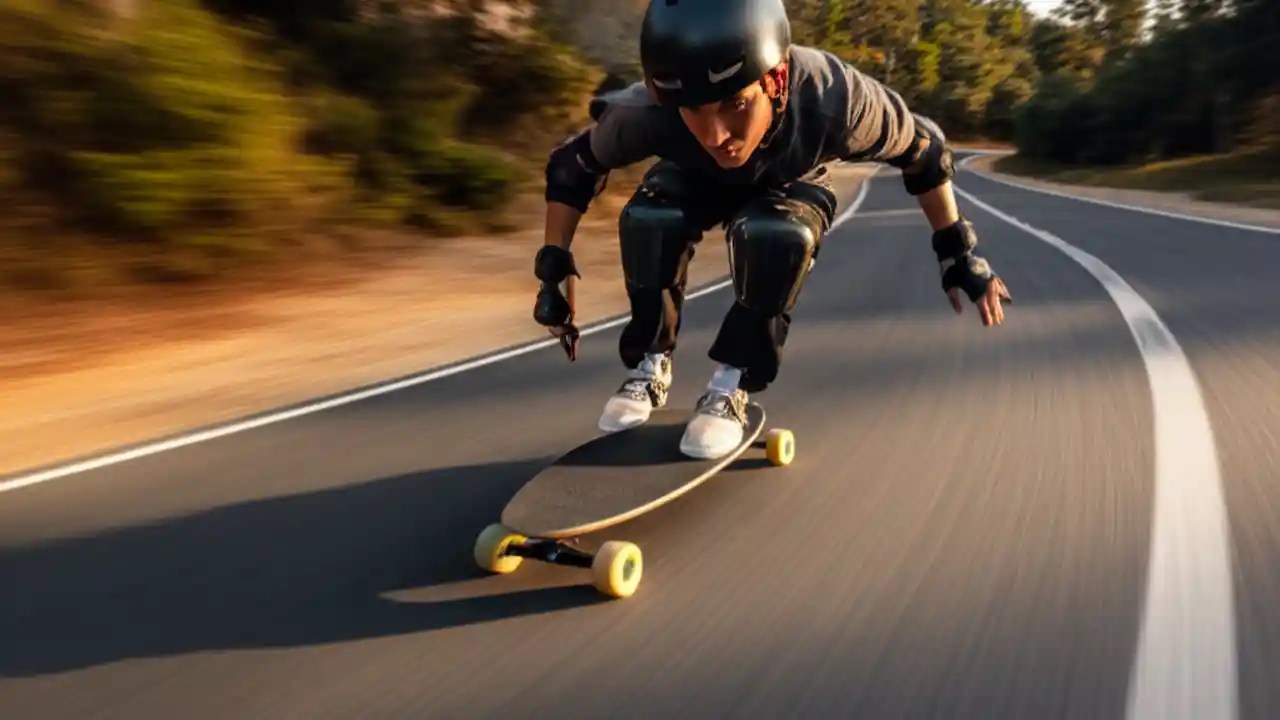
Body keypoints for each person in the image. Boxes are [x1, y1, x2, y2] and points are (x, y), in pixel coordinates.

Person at [532, 0, 1012, 460]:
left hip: (792, 179)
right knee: (649, 219)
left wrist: (958, 252)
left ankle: (732, 383)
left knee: (775, 235)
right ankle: (649, 364)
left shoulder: (838, 99)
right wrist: (553, 272)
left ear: (777, 78)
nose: (716, 133)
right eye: (693, 112)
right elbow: (572, 170)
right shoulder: (651, 110)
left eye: (735, 104)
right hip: (696, 178)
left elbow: (924, 153)